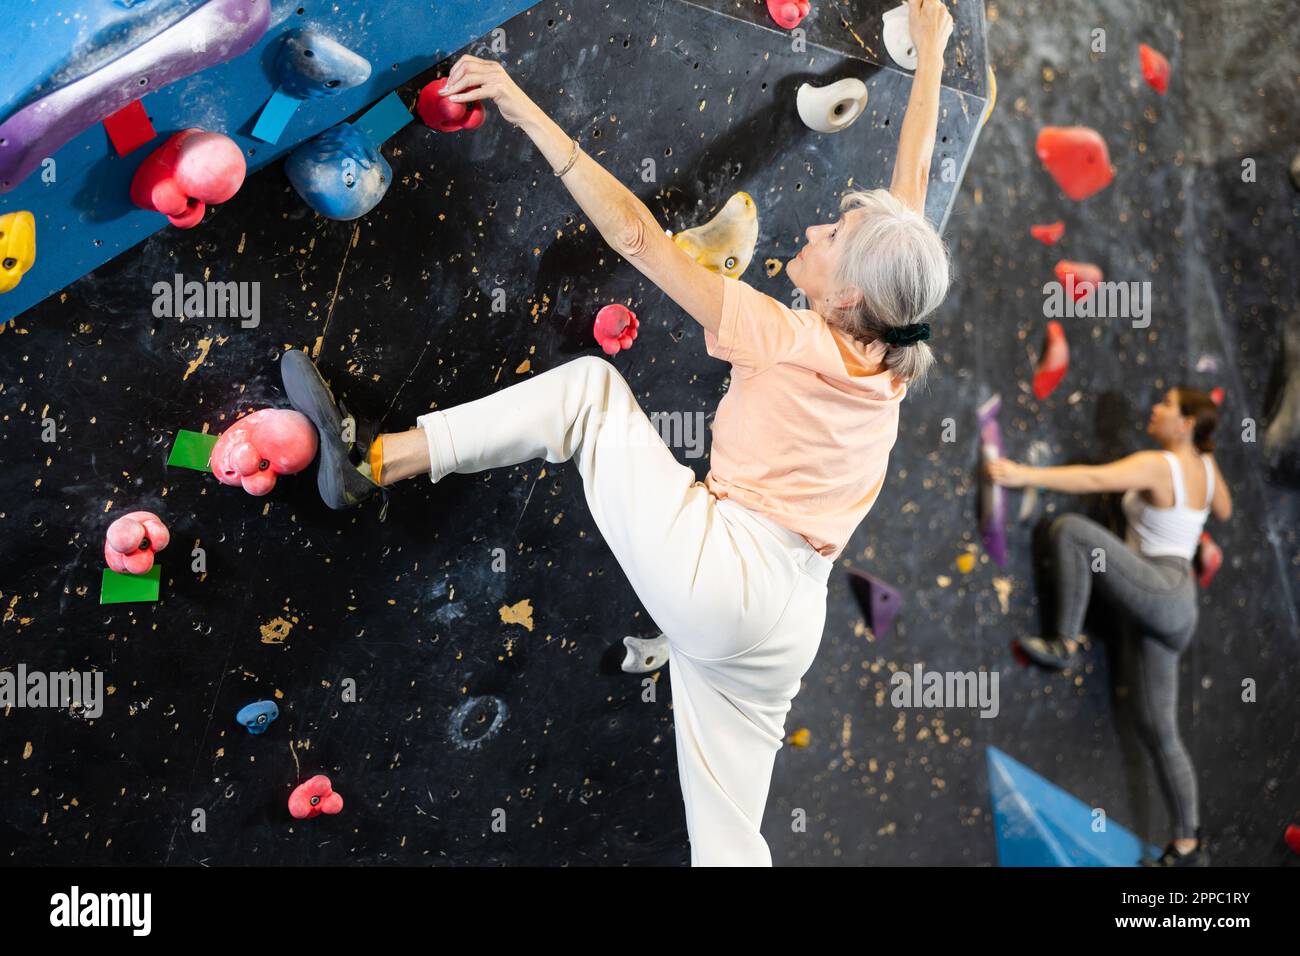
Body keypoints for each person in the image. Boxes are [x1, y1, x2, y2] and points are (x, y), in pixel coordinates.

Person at [281, 0, 955, 865]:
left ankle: (372, 459)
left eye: (832, 237)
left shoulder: (785, 334)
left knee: (592, 394)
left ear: (850, 295)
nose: (819, 228)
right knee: (729, 844)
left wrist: (524, 109)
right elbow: (914, 191)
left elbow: (638, 238)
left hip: (725, 576)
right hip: (787, 623)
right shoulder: (895, 347)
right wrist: (929, 54)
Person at [988, 387, 1232, 867]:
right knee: (1159, 727)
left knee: (1072, 532)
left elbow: (1094, 477)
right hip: (1174, 602)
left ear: (1184, 424)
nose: (1156, 408)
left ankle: (1064, 643)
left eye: (1166, 404)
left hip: (1160, 588)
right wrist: (1194, 531)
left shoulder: (1161, 464)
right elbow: (1221, 509)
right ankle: (1189, 847)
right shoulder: (1206, 466)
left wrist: (1022, 473)